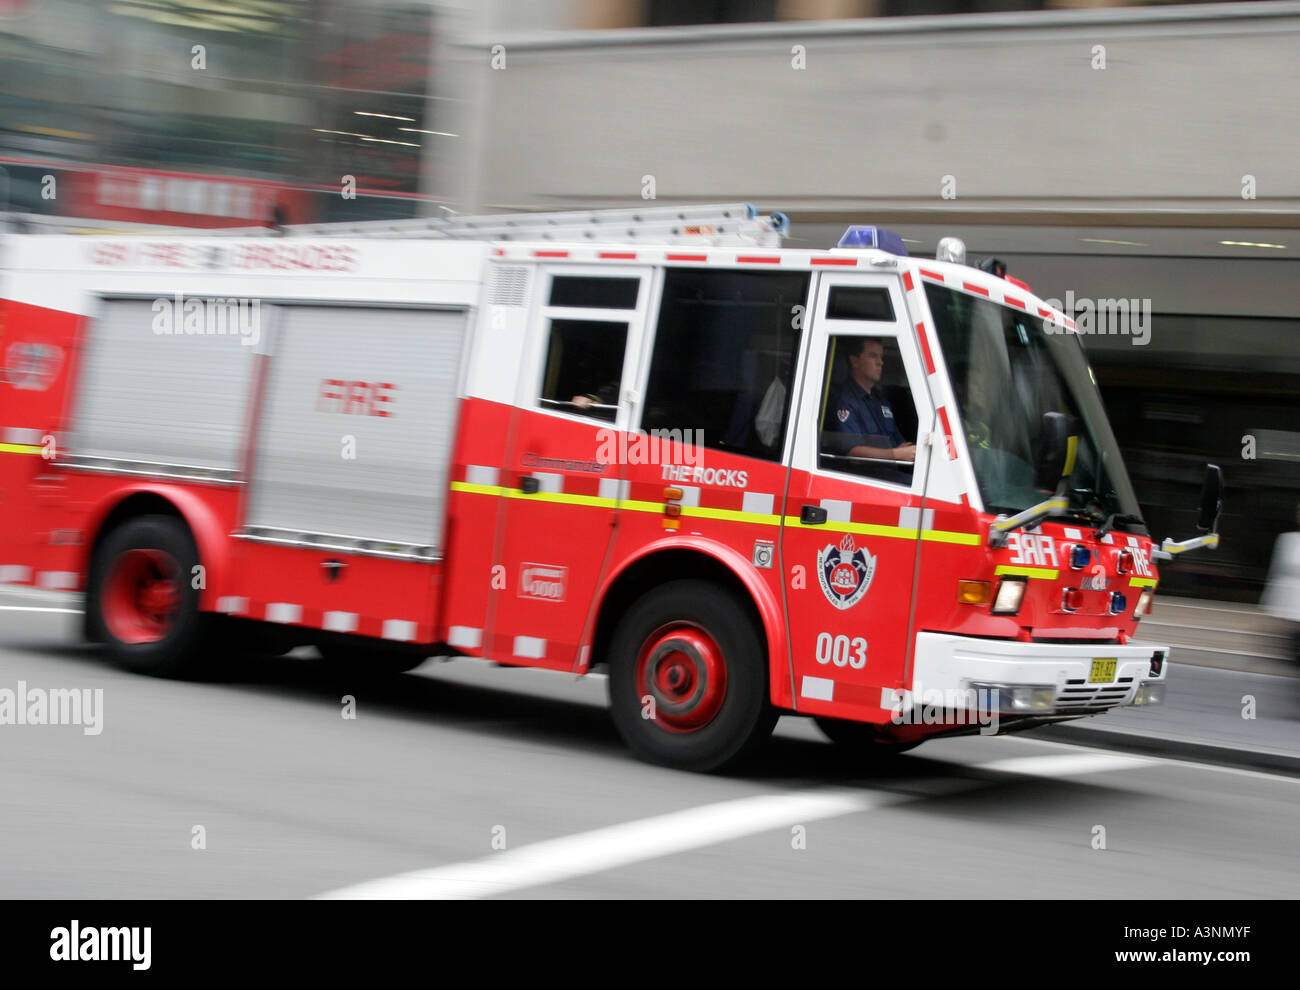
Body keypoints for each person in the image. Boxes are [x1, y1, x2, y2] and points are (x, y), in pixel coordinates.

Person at [822, 337, 916, 464]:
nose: (880, 362)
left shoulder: (881, 401)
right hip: (863, 476)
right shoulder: (845, 401)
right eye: (873, 356)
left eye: (881, 357)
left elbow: (900, 444)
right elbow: (852, 453)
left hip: (890, 472)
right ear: (855, 361)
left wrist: (910, 451)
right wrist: (895, 454)